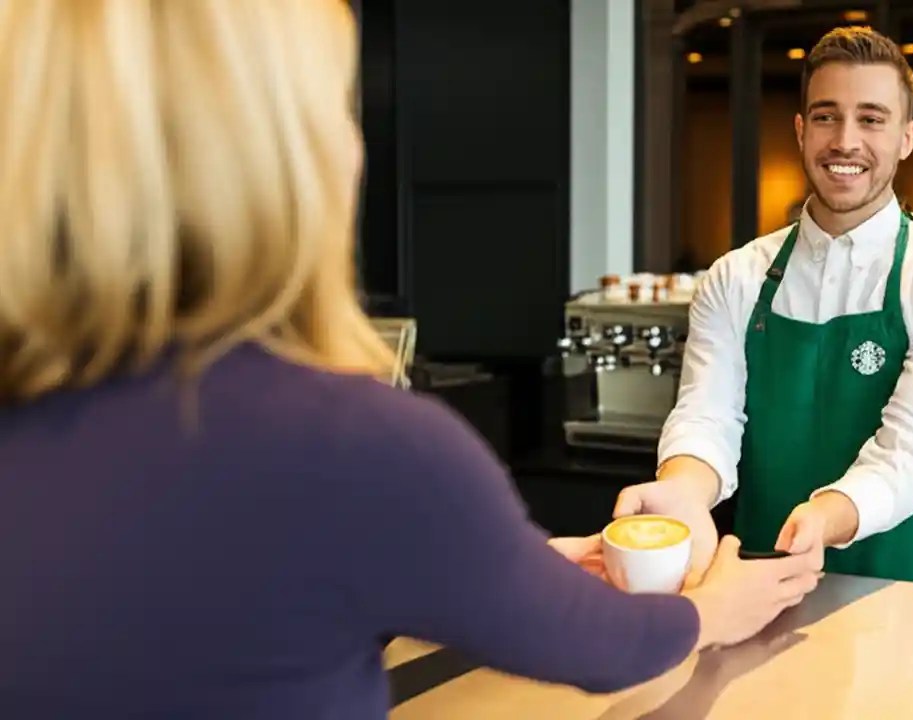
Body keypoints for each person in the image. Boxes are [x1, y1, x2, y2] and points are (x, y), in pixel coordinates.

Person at [0, 2, 821, 718]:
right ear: (280, 156)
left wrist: (466, 564)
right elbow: (592, 646)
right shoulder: (358, 448)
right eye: (338, 109)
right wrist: (714, 610)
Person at [614, 27, 913, 588]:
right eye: (825, 116)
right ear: (800, 130)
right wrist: (682, 491)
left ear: (907, 137)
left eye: (871, 119)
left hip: (905, 597)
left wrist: (827, 514)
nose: (845, 140)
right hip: (758, 588)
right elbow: (708, 415)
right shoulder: (735, 277)